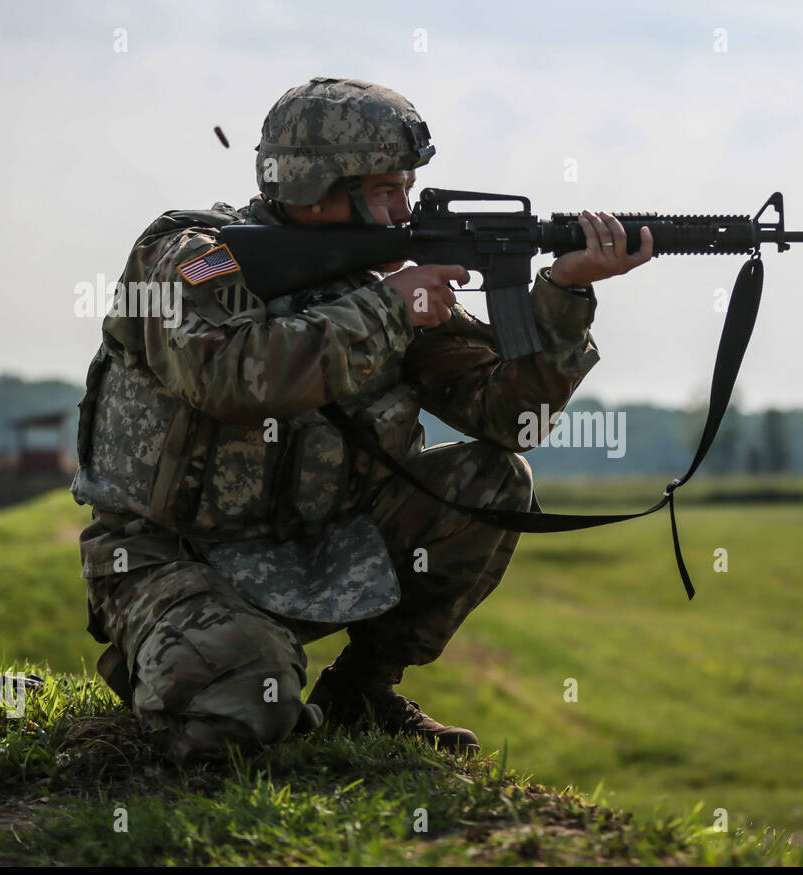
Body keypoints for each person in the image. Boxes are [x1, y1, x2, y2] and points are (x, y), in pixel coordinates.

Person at [71, 77, 653, 764]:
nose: (404, 211)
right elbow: (228, 378)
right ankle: (192, 663)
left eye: (407, 188)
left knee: (493, 482)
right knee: (239, 711)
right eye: (385, 192)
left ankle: (360, 693)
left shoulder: (379, 283)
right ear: (316, 186)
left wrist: (564, 292)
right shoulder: (190, 254)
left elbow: (511, 420)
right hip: (174, 556)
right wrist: (390, 308)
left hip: (317, 547)